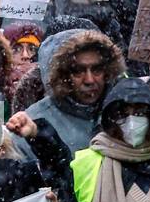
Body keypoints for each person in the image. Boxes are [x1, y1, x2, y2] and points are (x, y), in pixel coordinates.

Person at [21, 28, 125, 156]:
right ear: (62, 74)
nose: (89, 80)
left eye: (97, 69)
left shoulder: (125, 110)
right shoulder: (33, 121)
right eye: (78, 71)